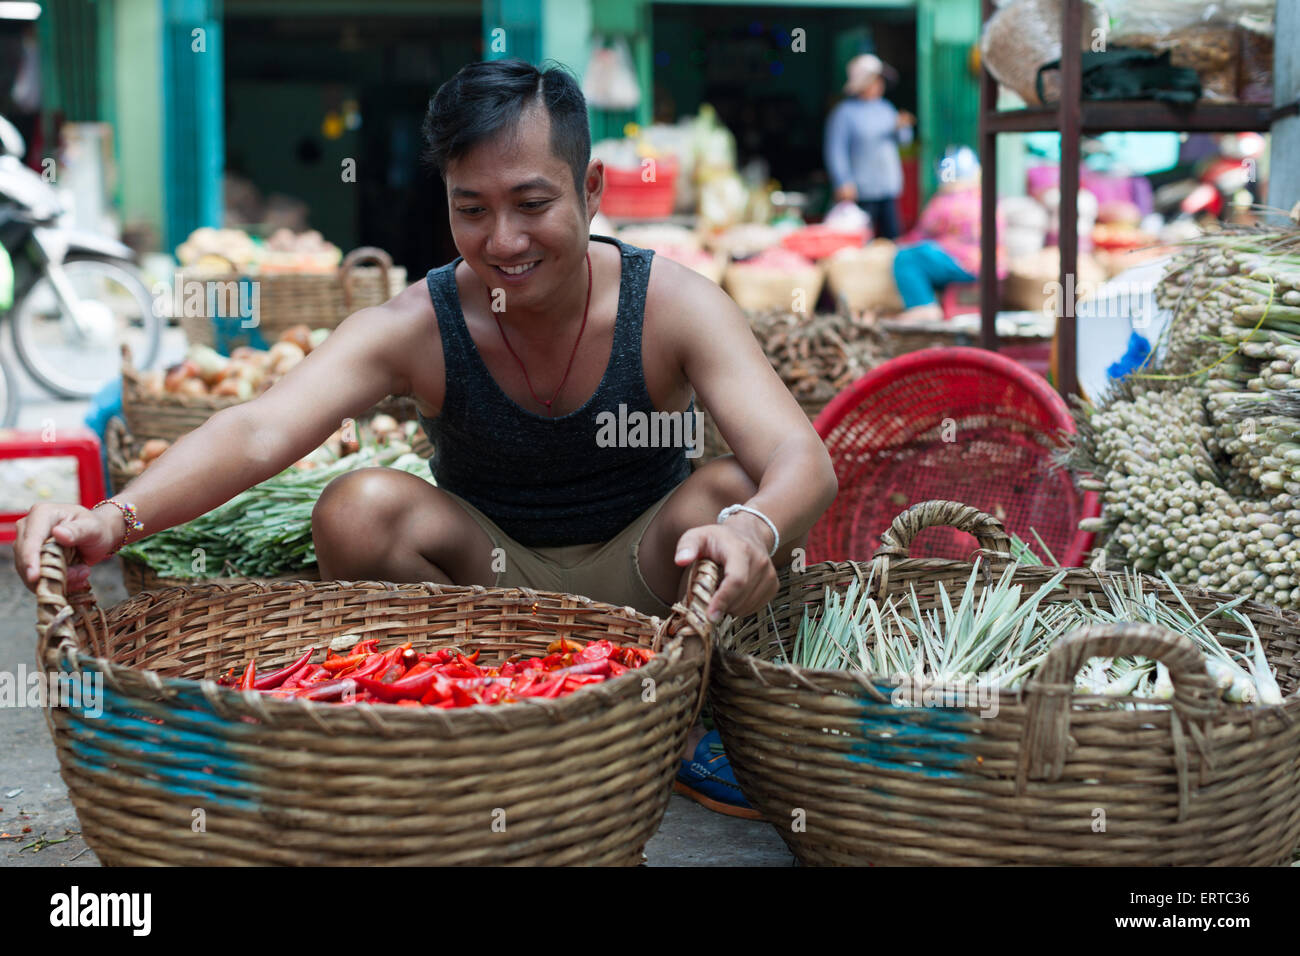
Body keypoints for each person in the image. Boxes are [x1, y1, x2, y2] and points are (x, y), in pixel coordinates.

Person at [13, 58, 837, 817]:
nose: (503, 242)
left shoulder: (674, 304)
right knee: (357, 508)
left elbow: (804, 462)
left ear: (590, 189)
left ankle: (699, 716)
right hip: (484, 599)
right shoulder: (421, 322)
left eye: (532, 204)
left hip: (656, 577)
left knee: (736, 495)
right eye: (470, 209)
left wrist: (755, 528)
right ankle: (472, 714)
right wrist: (113, 519)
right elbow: (260, 427)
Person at [891, 145, 1003, 322]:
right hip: (993, 267)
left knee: (906, 257)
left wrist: (893, 245)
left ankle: (923, 306)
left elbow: (918, 237)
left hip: (964, 266)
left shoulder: (943, 203)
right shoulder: (987, 198)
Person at [824, 53, 915, 241]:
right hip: (860, 189)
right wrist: (842, 181)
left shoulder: (886, 108)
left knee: (892, 239)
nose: (878, 85)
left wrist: (902, 127)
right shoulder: (844, 113)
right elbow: (835, 150)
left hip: (887, 185)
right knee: (861, 240)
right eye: (874, 80)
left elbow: (903, 140)